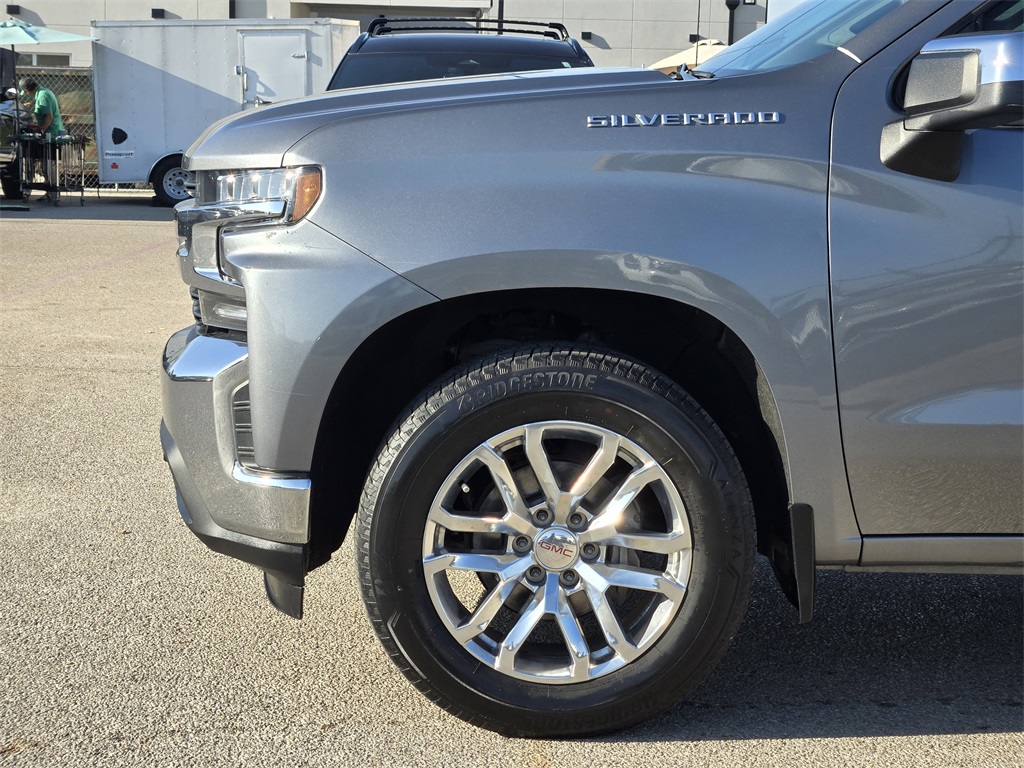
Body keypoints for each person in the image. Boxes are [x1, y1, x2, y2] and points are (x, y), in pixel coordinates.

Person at [19, 78, 64, 200]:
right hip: (52, 131)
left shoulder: (43, 95)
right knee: (46, 163)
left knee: (47, 164)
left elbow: (48, 116)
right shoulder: (44, 92)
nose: (27, 94)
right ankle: (50, 192)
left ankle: (52, 192)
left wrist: (41, 129)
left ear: (28, 89)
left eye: (26, 92)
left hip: (51, 133)